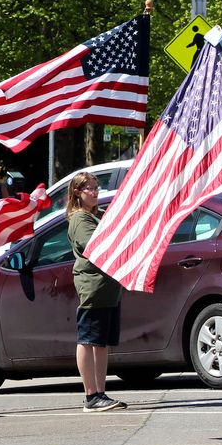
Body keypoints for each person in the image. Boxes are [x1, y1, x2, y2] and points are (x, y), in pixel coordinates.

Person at [66, 172, 127, 413]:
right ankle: (91, 395)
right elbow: (97, 247)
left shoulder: (95, 216)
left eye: (95, 186)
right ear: (77, 194)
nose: (95, 191)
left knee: (101, 343)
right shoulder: (80, 220)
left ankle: (101, 392)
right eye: (89, 188)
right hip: (93, 288)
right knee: (88, 339)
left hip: (108, 289)